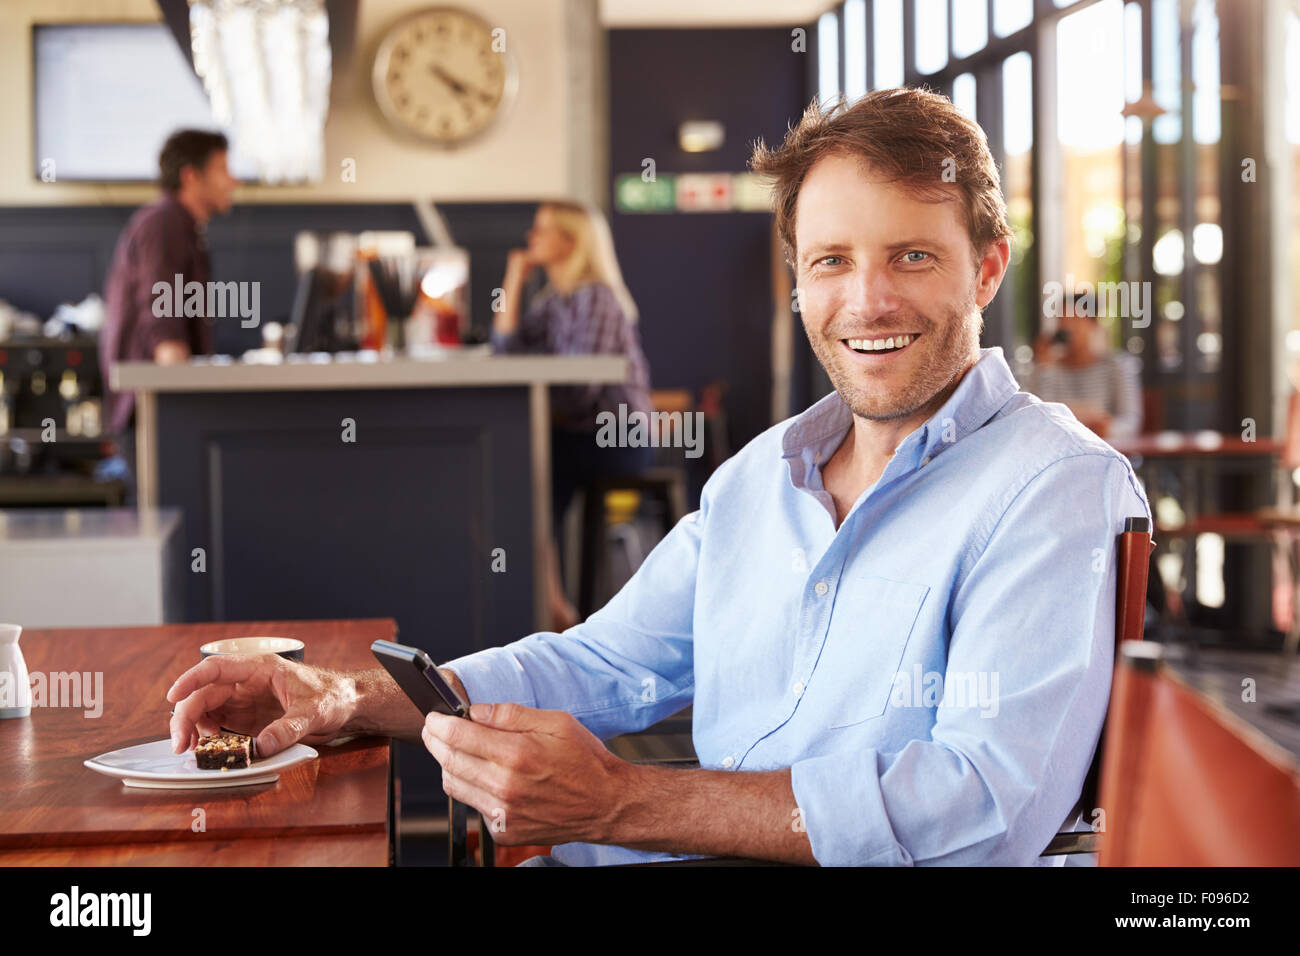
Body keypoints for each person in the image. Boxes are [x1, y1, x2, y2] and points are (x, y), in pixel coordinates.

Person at [166, 89, 1151, 867]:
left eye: (911, 255)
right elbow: (601, 665)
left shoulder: (1055, 485)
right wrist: (348, 700)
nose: (866, 299)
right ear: (797, 276)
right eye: (831, 260)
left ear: (986, 269)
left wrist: (623, 799)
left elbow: (982, 809)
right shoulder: (756, 480)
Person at [492, 200, 654, 632]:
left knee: (527, 476)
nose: (532, 238)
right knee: (525, 472)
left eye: (541, 229)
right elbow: (504, 348)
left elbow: (583, 392)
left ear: (571, 241)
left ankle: (554, 612)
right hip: (580, 434)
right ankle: (554, 608)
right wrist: (514, 277)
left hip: (617, 436)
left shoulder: (597, 298)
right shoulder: (556, 300)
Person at [98, 129, 237, 499]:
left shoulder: (178, 224)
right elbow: (162, 315)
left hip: (153, 407)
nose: (233, 181)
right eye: (223, 169)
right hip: (151, 411)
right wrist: (188, 408)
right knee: (168, 520)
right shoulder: (165, 221)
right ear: (192, 176)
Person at [1022, 307, 1142, 439]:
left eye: (1075, 320)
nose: (1069, 328)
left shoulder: (1117, 366)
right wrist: (1043, 367)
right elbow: (1039, 415)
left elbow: (1131, 421)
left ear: (1093, 324)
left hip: (1108, 448)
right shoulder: (1048, 369)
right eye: (1062, 321)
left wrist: (1109, 429)